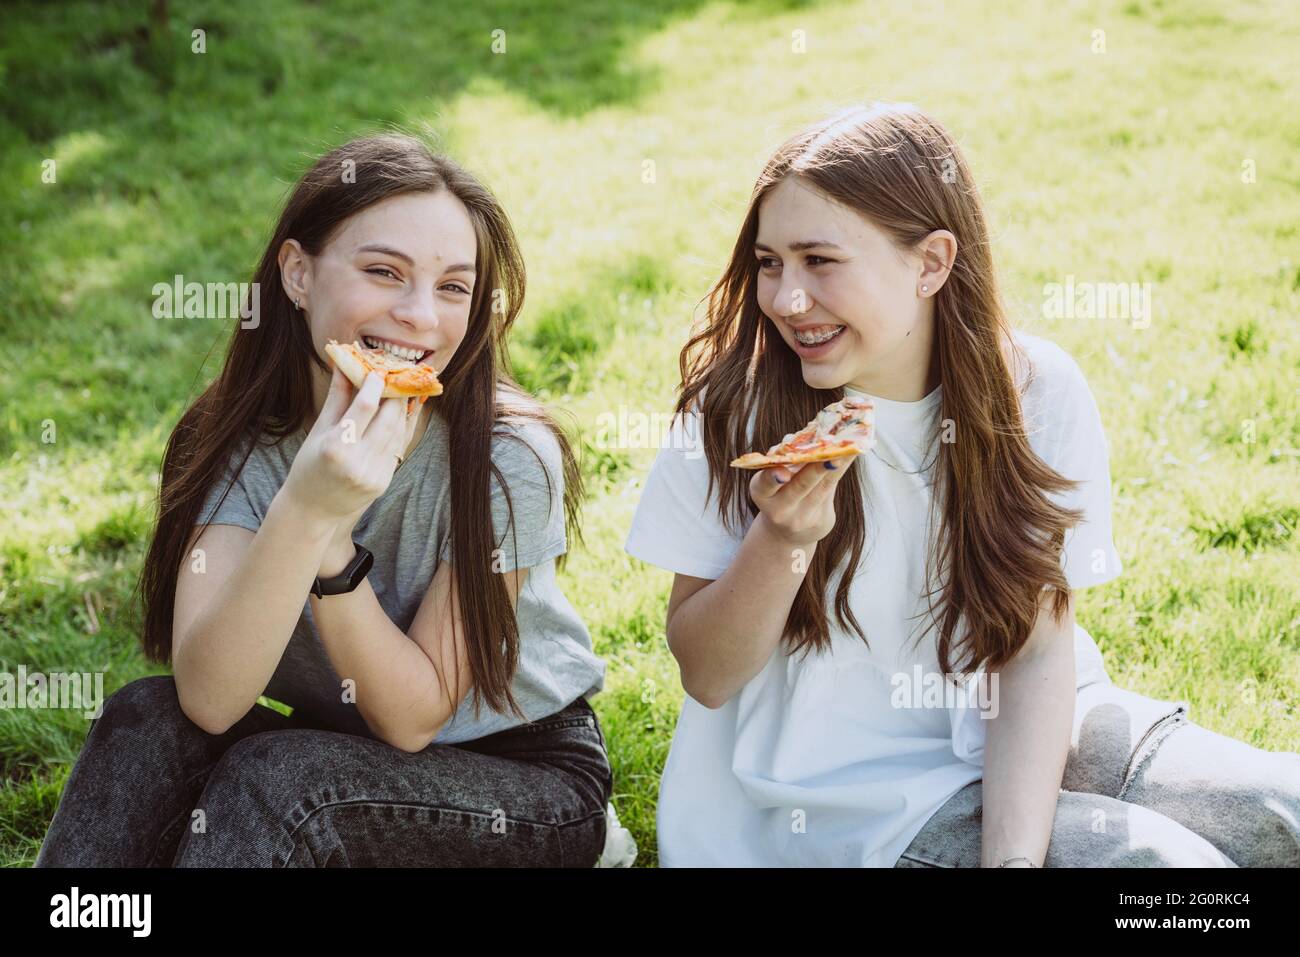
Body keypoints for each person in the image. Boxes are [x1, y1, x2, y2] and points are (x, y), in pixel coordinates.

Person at [624, 102, 1300, 868]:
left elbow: (1039, 651)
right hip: (844, 794)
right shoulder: (735, 417)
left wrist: (1010, 860)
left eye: (819, 260)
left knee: (1284, 811)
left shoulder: (1036, 391)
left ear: (931, 263)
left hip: (1044, 723)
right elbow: (708, 675)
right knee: (1172, 876)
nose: (785, 299)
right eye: (770, 263)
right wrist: (780, 538)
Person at [35, 133, 612, 868]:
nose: (420, 317)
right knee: (144, 716)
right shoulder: (234, 442)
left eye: (453, 287)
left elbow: (411, 717)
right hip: (331, 744)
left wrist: (330, 535)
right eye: (383, 271)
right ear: (298, 273)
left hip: (523, 783)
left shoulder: (506, 457)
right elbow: (211, 698)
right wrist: (304, 503)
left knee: (279, 781)